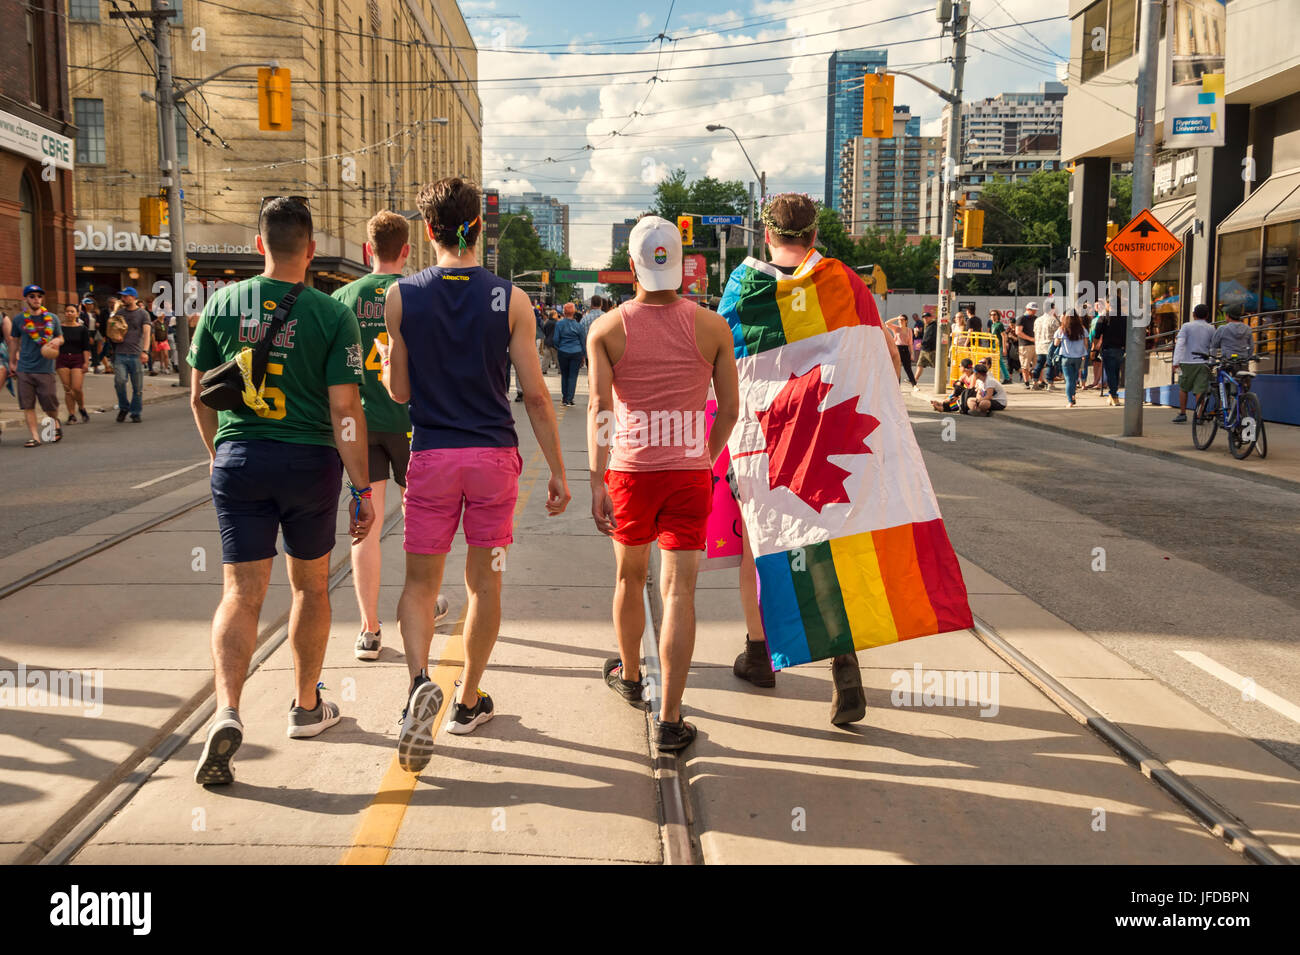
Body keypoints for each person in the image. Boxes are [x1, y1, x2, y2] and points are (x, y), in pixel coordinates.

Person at [380, 177, 569, 773]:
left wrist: (390, 363)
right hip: (492, 463)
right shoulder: (511, 299)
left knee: (419, 586)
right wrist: (559, 472)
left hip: (432, 458)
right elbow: (537, 396)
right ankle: (466, 701)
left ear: (427, 231)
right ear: (477, 228)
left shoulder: (402, 297)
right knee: (486, 584)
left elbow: (400, 391)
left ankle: (418, 684)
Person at [188, 196, 375, 786]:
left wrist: (222, 454)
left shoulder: (220, 303)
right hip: (310, 464)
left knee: (242, 592)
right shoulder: (331, 314)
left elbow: (200, 396)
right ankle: (305, 706)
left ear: (258, 243)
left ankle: (227, 710)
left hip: (241, 457)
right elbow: (346, 410)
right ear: (312, 249)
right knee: (310, 587)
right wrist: (362, 486)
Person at [728, 194, 900, 726]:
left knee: (761, 546)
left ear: (766, 234)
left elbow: (718, 359)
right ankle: (843, 664)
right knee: (827, 551)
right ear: (815, 233)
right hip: (830, 438)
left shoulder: (744, 287)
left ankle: (760, 655)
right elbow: (885, 360)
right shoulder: (846, 283)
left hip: (763, 443)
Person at [587, 215, 739, 750]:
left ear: (631, 268)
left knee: (631, 580)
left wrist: (596, 476)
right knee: (679, 590)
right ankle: (671, 718)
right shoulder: (712, 327)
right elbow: (730, 411)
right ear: (682, 268)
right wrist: (703, 455)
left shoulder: (607, 329)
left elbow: (601, 408)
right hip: (689, 474)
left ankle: (630, 677)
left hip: (629, 471)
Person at [332, 210, 449, 663]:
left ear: (368, 250)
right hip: (411, 422)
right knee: (425, 522)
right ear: (406, 250)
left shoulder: (341, 296)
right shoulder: (418, 294)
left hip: (358, 425)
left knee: (367, 525)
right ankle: (424, 603)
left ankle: (369, 629)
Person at [6, 285, 64, 447]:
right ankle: (35, 436)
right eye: (32, 296)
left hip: (45, 368)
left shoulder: (52, 318)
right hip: (24, 368)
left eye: (39, 296)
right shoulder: (19, 319)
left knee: (49, 402)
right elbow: (14, 342)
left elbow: (60, 337)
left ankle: (55, 422)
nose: (36, 299)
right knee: (28, 404)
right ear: (26, 299)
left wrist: (56, 341)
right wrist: (12, 362)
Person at [1170, 304, 1215, 422]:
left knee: (1183, 388)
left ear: (1193, 314)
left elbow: (1180, 344)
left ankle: (1183, 413)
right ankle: (1199, 415)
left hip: (1186, 362)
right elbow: (1213, 346)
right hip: (1203, 362)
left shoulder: (1186, 326)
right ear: (1207, 315)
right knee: (1200, 390)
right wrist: (1212, 361)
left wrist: (1176, 361)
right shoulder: (1211, 328)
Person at [112, 287, 151, 422]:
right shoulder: (119, 313)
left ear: (134, 297)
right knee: (119, 381)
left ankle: (135, 412)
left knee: (137, 387)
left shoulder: (143, 314)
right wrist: (114, 337)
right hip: (120, 354)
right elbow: (112, 330)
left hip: (136, 354)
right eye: (122, 296)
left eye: (126, 296)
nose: (124, 298)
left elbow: (147, 333)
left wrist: (145, 351)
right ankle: (124, 407)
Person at [56, 303, 92, 424]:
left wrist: (86, 363)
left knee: (76, 388)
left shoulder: (82, 329)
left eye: (72, 311)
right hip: (62, 358)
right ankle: (71, 414)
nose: (69, 313)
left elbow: (86, 348)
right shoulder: (59, 328)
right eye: (67, 311)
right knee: (67, 389)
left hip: (78, 359)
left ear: (77, 314)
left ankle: (81, 408)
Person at [1054, 308, 1090, 407]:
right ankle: (1073, 395)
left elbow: (1056, 343)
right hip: (1078, 357)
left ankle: (1070, 400)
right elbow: (1086, 343)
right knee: (1074, 378)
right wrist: (1084, 354)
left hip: (1066, 357)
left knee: (1069, 379)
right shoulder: (1082, 329)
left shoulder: (1062, 329)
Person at [553, 301, 586, 407]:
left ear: (563, 312)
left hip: (563, 351)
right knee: (573, 376)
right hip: (576, 352)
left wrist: (560, 347)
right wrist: (583, 355)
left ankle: (564, 397)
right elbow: (583, 341)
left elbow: (555, 340)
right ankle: (570, 399)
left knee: (564, 375)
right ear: (574, 312)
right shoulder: (579, 326)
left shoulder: (559, 324)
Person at [1032, 302, 1060, 390]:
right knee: (1050, 365)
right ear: (1052, 308)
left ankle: (1034, 382)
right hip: (1049, 345)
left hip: (1039, 345)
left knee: (1039, 364)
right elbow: (1058, 333)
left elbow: (1035, 332)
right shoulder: (1053, 320)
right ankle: (1050, 384)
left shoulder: (1038, 320)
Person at [884, 313, 917, 387]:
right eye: (899, 320)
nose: (900, 321)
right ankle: (897, 385)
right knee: (897, 368)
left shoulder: (909, 330)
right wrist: (897, 317)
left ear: (906, 321)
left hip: (905, 349)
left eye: (902, 320)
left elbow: (910, 343)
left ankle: (914, 385)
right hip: (897, 348)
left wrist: (912, 353)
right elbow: (887, 323)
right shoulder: (896, 328)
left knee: (908, 368)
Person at [1015, 302, 1037, 387]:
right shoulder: (1021, 319)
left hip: (1035, 344)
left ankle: (1036, 381)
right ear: (1027, 309)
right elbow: (1018, 332)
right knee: (1025, 365)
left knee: (1037, 364)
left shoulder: (1035, 318)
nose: (1034, 312)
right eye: (1033, 310)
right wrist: (1031, 338)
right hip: (1025, 345)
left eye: (1035, 310)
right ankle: (1026, 381)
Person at [915, 310, 938, 391]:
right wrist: (918, 333)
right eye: (924, 318)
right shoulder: (927, 325)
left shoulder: (933, 326)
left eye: (926, 317)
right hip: (924, 350)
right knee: (920, 365)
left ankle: (942, 382)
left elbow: (931, 337)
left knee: (937, 366)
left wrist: (922, 343)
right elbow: (925, 336)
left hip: (930, 350)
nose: (925, 319)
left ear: (930, 318)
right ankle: (914, 381)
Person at [988, 309, 1010, 383]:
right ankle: (1004, 377)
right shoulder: (992, 325)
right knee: (996, 362)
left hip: (999, 346)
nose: (993, 316)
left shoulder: (999, 324)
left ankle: (1007, 377)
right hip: (993, 346)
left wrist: (1004, 348)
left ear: (998, 316)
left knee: (999, 362)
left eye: (994, 314)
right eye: (991, 315)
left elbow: (1004, 336)